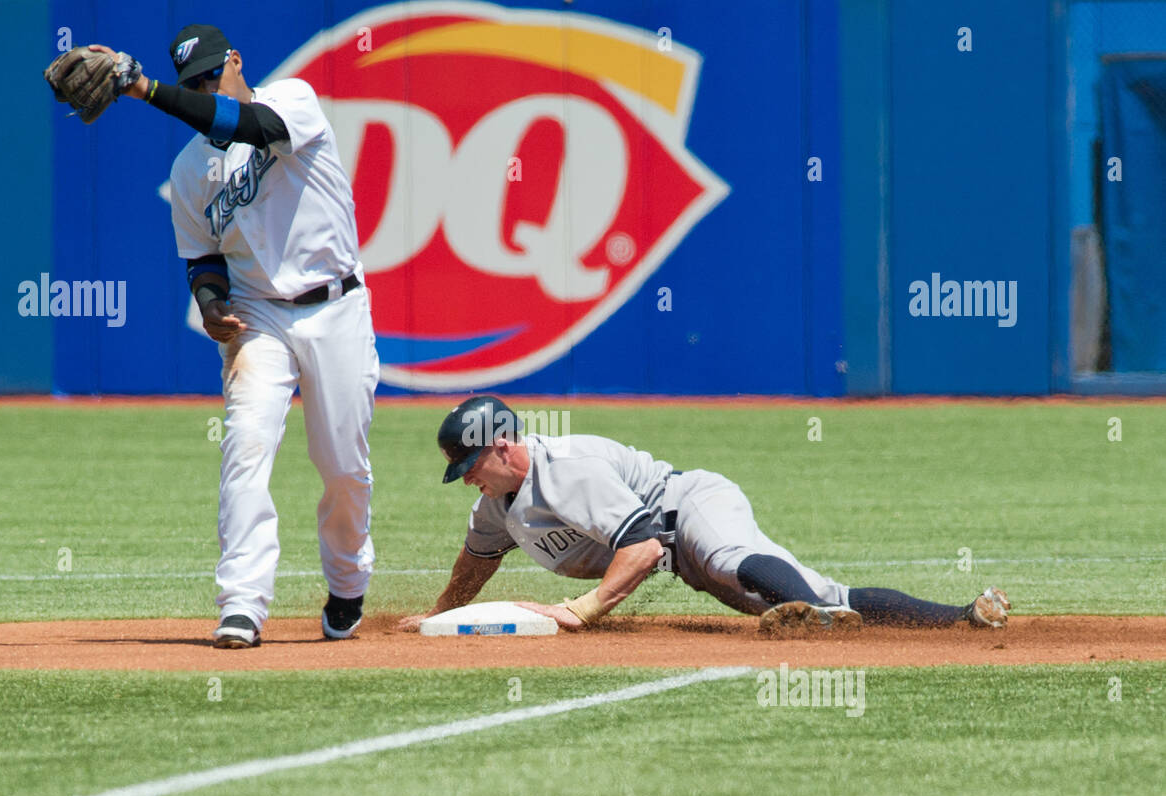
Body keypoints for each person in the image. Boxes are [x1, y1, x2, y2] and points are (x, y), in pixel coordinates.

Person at [93, 25, 377, 647]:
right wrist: (211, 303)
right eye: (191, 83)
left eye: (209, 76)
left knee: (341, 466)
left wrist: (143, 89)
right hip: (259, 318)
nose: (202, 89)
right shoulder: (189, 170)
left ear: (236, 63)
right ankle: (242, 604)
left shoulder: (291, 100)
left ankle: (349, 582)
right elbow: (202, 260)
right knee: (245, 447)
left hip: (336, 306)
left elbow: (250, 128)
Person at [397, 396, 1010, 634]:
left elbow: (639, 550)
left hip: (689, 504)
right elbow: (473, 564)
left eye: (472, 461)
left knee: (730, 558)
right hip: (674, 549)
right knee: (791, 599)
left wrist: (579, 610)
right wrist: (438, 616)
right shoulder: (494, 508)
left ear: (503, 445)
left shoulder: (568, 466)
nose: (468, 476)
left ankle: (818, 621)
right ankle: (962, 618)